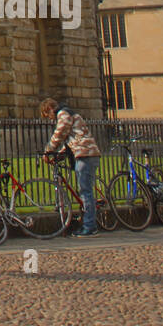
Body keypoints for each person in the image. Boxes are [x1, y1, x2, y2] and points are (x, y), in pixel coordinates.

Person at [41, 98, 101, 236]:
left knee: (85, 192)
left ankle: (90, 227)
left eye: (48, 115)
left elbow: (61, 132)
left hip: (85, 154)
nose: (50, 119)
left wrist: (48, 149)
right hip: (85, 153)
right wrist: (60, 154)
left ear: (50, 109)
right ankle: (87, 222)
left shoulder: (63, 114)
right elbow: (72, 139)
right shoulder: (69, 113)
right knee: (85, 190)